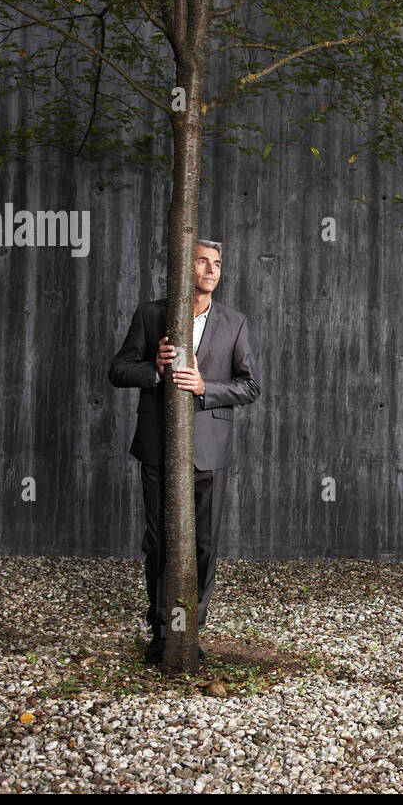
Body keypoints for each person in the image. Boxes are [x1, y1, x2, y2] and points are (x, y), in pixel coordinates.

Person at [108, 238, 260, 663]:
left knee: (203, 543)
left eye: (217, 263)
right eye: (202, 261)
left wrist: (206, 388)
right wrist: (154, 369)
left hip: (209, 449)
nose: (211, 270)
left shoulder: (235, 322)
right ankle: (162, 631)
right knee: (158, 541)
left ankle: (189, 629)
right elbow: (118, 370)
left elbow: (251, 386)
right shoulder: (151, 314)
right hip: (158, 446)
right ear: (183, 265)